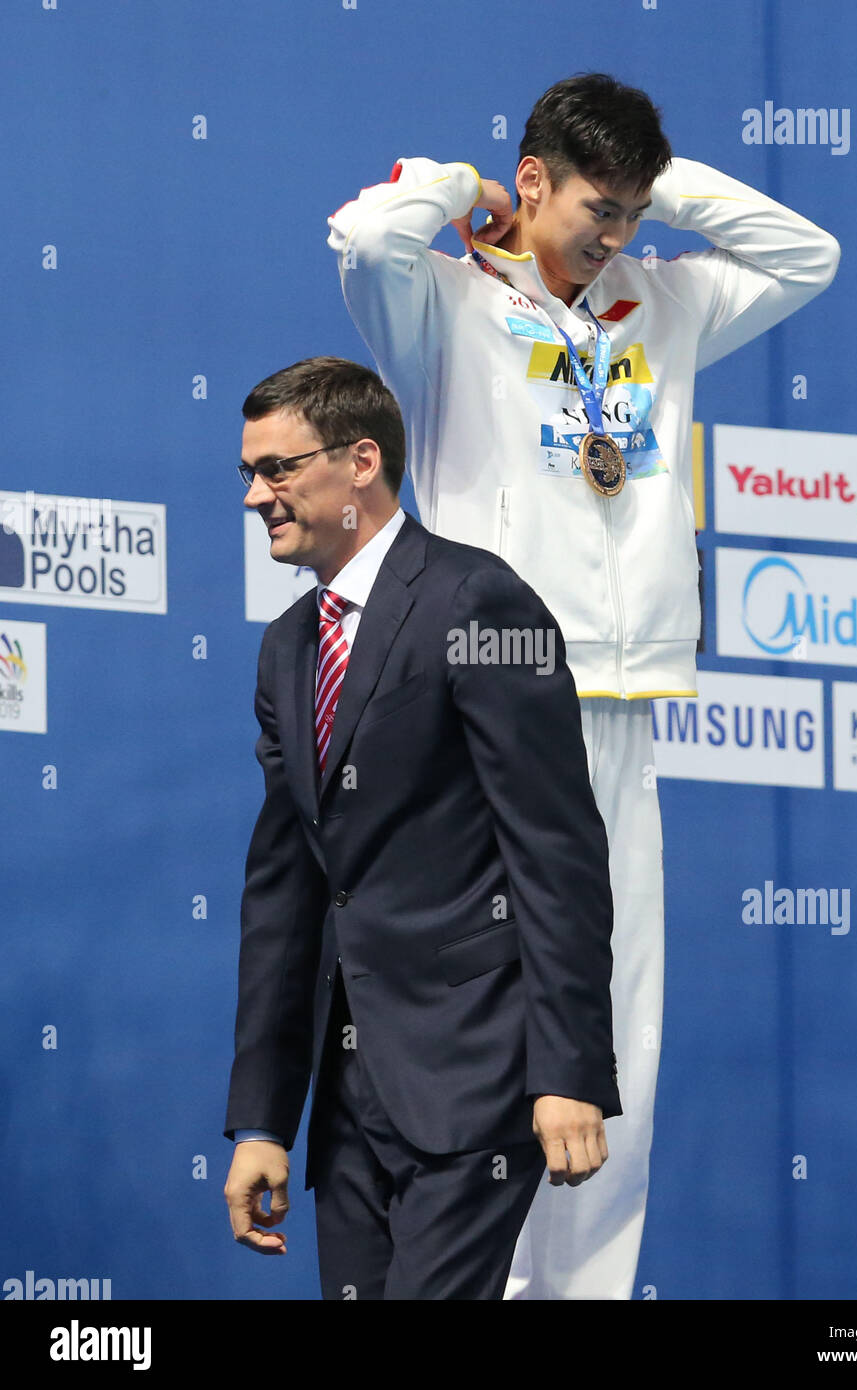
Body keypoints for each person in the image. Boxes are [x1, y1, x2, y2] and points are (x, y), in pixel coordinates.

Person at [328, 72, 841, 1299]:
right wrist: (471, 194)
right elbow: (361, 233)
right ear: (536, 181)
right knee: (482, 1014)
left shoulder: (659, 304)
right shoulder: (443, 302)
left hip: (617, 715)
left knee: (618, 1036)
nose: (612, 235)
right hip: (484, 705)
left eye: (632, 211)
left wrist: (665, 196)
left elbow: (807, 253)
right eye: (591, 207)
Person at [222, 356, 621, 1300]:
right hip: (351, 1103)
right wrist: (264, 1121)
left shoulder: (482, 600)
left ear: (362, 461)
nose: (256, 496)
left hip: (476, 1075)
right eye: (248, 473)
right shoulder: (287, 649)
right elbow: (288, 891)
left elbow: (557, 851)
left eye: (278, 469)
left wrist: (570, 1070)